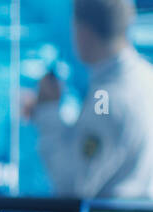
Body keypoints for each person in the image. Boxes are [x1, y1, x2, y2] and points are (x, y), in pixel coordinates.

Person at [24, 0, 153, 199]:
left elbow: (71, 186)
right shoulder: (146, 77)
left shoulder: (107, 99)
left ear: (83, 32)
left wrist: (48, 113)